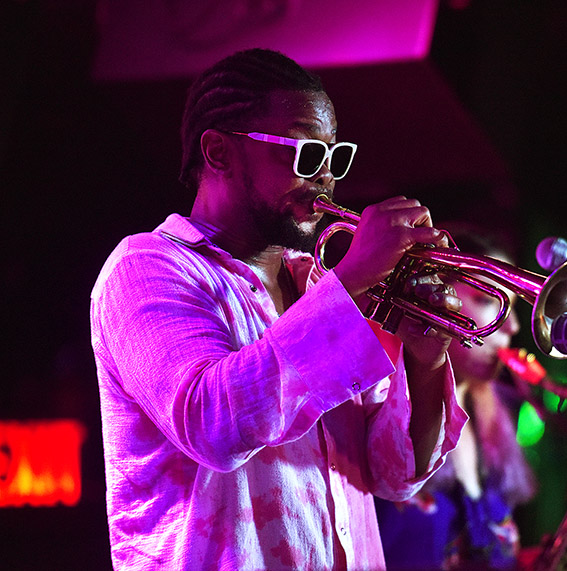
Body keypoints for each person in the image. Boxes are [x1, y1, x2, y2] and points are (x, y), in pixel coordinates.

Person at [89, 48, 468, 570]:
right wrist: (352, 281)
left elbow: (394, 475)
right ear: (219, 152)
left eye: (335, 157)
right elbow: (213, 424)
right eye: (306, 154)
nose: (326, 177)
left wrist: (425, 362)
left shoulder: (319, 289)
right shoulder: (147, 267)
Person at [375, 229, 537, 570]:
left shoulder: (500, 412)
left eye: (513, 306)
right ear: (436, 297)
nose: (513, 326)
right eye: (489, 300)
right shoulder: (376, 402)